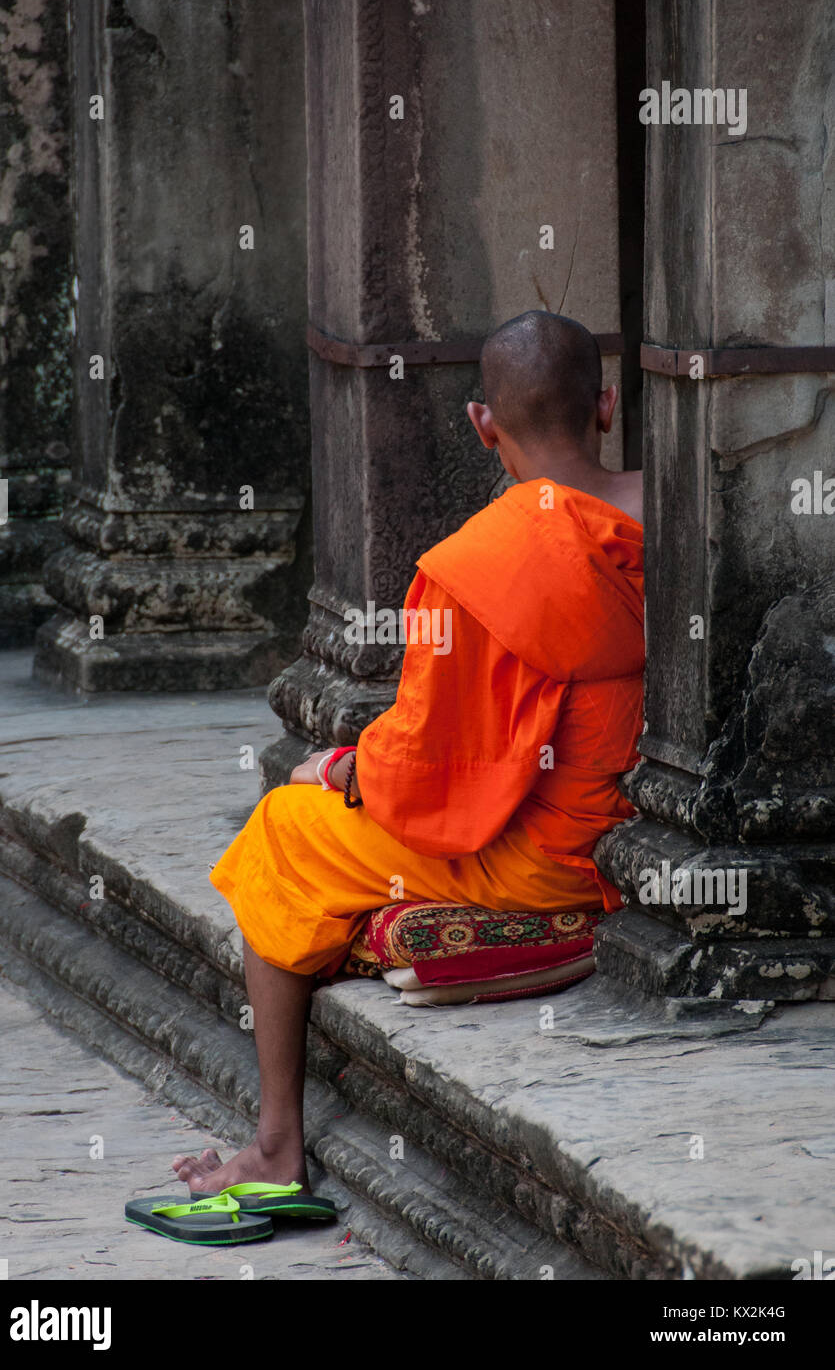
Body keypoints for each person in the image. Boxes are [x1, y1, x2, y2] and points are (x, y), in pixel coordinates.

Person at [173, 310, 644, 1196]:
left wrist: (346, 768)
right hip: (643, 836)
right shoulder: (677, 516)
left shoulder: (477, 565)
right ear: (608, 407)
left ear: (481, 422)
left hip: (549, 865)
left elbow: (430, 770)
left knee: (283, 826)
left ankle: (275, 1144)